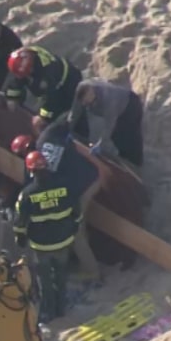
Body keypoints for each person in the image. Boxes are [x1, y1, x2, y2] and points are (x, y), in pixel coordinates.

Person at [14, 150, 86, 323]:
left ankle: (48, 312)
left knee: (44, 280)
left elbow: (19, 222)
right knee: (61, 276)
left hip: (41, 246)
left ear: (30, 171)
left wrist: (20, 238)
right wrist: (74, 227)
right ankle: (61, 308)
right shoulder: (65, 186)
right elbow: (77, 213)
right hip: (63, 241)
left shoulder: (27, 195)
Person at [35, 117, 103, 281]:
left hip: (82, 185)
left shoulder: (42, 151)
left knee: (74, 230)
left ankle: (91, 271)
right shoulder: (54, 132)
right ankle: (86, 260)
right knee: (80, 222)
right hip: (92, 176)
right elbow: (71, 115)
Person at [3, 46, 84, 132]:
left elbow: (51, 99)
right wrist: (11, 99)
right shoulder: (25, 58)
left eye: (29, 71)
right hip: (53, 84)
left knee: (71, 115)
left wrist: (42, 117)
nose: (28, 73)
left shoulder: (46, 72)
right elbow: (16, 80)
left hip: (69, 83)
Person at [68, 79, 145, 167]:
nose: (87, 104)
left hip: (129, 106)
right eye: (84, 103)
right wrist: (68, 127)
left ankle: (136, 164)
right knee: (116, 138)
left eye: (87, 101)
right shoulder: (81, 88)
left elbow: (110, 124)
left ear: (91, 92)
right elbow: (75, 111)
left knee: (131, 137)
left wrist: (100, 144)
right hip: (117, 109)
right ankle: (124, 157)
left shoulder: (107, 97)